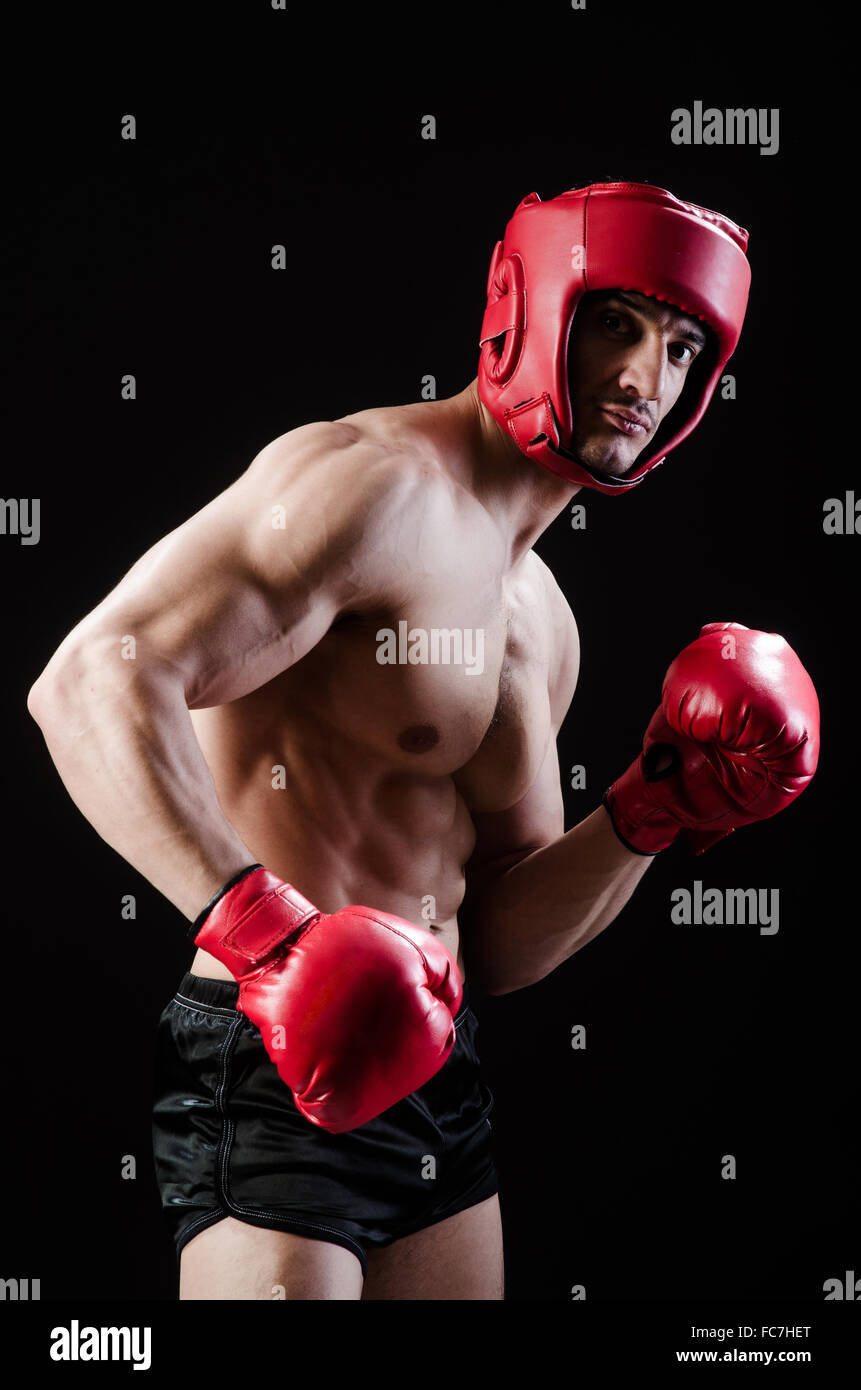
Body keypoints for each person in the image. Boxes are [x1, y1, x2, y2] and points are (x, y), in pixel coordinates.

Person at [27, 182, 819, 1301]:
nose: (648, 378)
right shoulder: (370, 487)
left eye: (684, 346)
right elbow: (91, 679)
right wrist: (265, 935)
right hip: (271, 1064)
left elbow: (497, 940)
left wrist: (659, 807)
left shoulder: (542, 616)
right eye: (617, 323)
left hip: (441, 1080)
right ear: (527, 307)